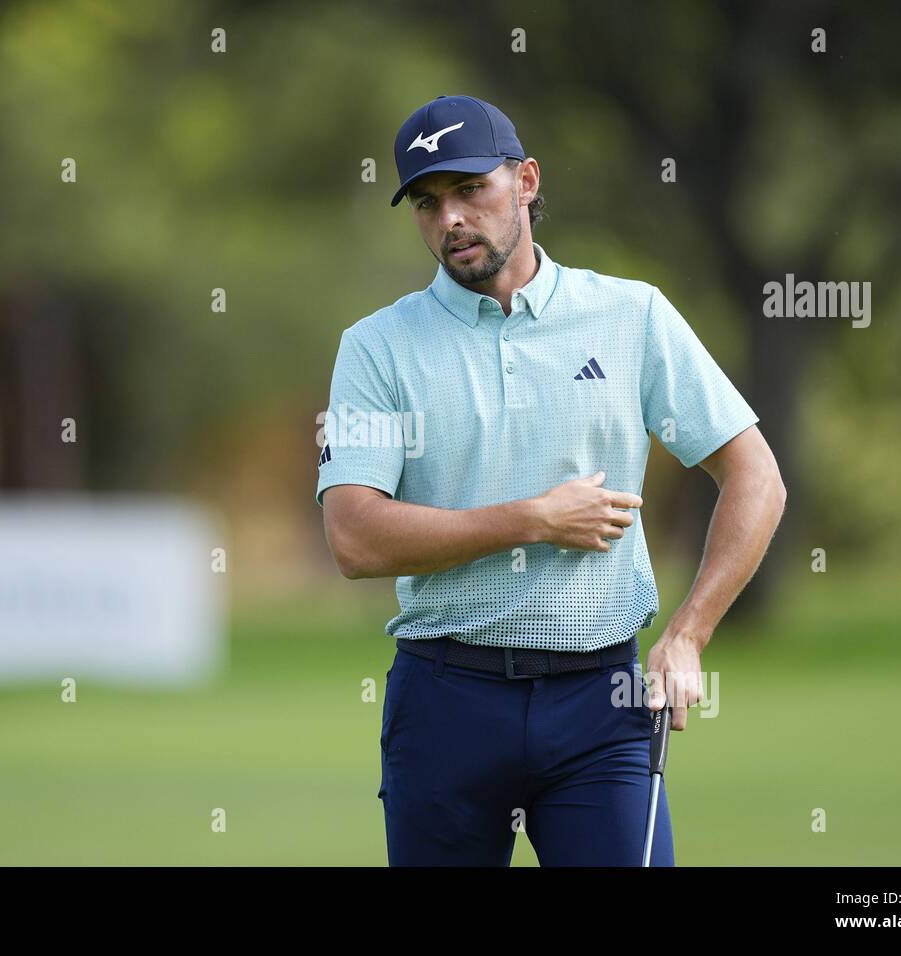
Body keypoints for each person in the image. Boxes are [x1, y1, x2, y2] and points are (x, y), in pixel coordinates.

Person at [315, 94, 787, 866]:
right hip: (443, 702)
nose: (452, 219)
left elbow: (755, 476)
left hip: (601, 703)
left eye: (473, 190)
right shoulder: (375, 348)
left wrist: (690, 634)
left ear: (526, 182)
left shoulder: (632, 316)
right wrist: (533, 519)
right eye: (429, 203)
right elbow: (354, 538)